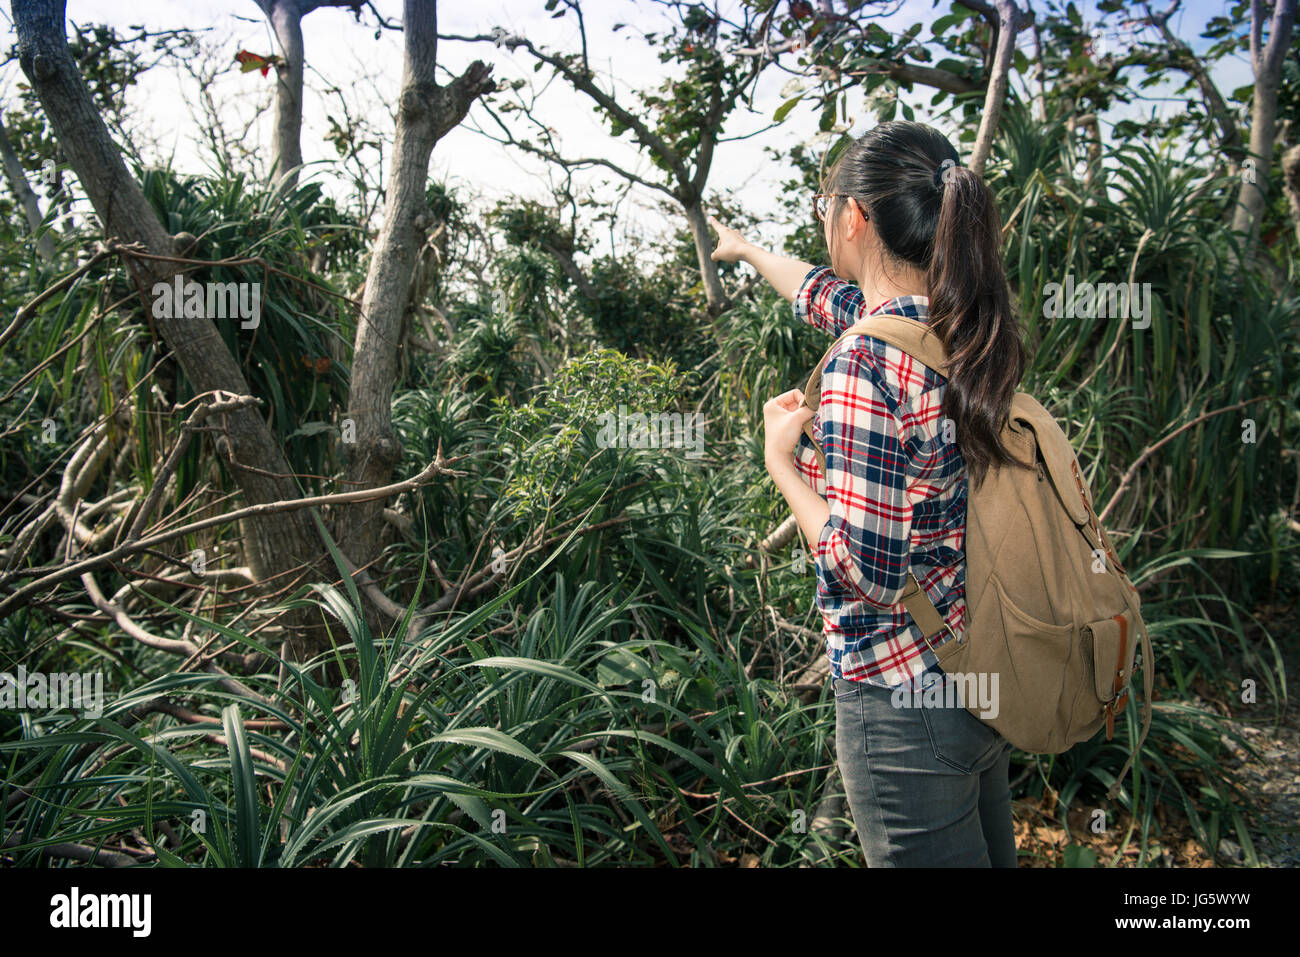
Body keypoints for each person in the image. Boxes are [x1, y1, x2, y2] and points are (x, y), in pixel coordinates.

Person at [709, 120, 1027, 867]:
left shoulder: (865, 364)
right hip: (973, 677)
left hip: (899, 702)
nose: (823, 219)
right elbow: (822, 296)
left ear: (853, 217)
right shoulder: (956, 330)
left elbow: (869, 571)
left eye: (827, 204)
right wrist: (752, 250)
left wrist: (783, 464)